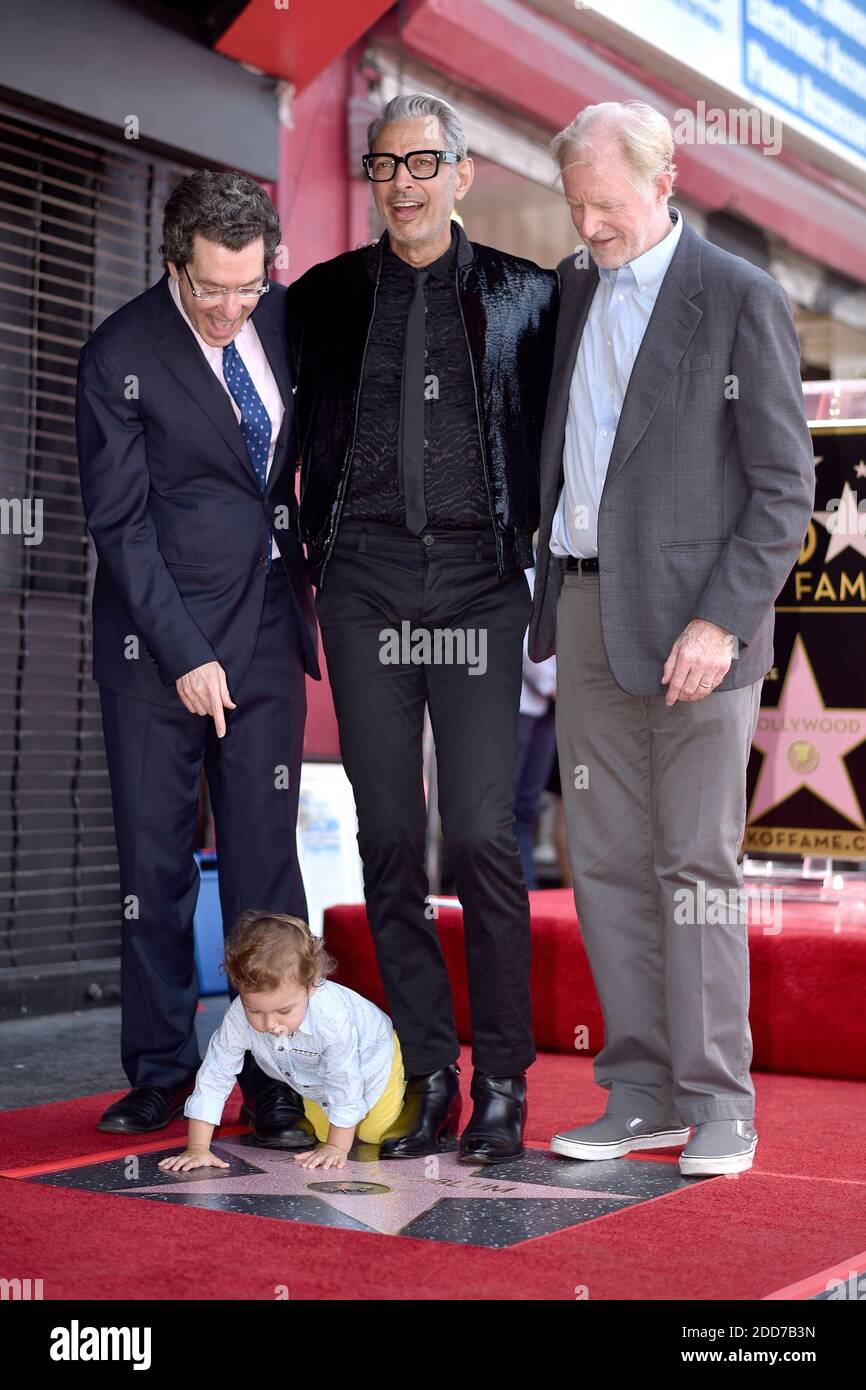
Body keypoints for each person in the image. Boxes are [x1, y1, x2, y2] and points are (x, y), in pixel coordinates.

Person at [528, 101, 814, 1177]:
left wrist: (719, 618)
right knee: (601, 861)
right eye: (575, 205)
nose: (589, 224)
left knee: (693, 863)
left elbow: (783, 487)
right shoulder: (568, 291)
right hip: (586, 609)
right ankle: (638, 1091)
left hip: (699, 625)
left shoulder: (737, 295)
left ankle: (718, 1103)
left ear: (663, 181)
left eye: (604, 203)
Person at [286, 94, 559, 1164]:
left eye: (422, 162)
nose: (401, 181)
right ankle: (429, 1071)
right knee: (389, 838)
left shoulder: (527, 297)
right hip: (363, 581)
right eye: (383, 163)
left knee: (485, 833)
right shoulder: (320, 299)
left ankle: (502, 1081)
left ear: (462, 171)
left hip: (480, 584)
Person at [75, 171, 320, 1145]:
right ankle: (161, 1070)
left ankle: (274, 1075)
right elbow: (120, 524)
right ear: (174, 262)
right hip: (153, 641)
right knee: (156, 863)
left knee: (268, 861)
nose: (231, 308)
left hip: (264, 620)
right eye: (211, 287)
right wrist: (182, 650)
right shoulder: (119, 355)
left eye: (248, 286)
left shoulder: (282, 318)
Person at [158, 911, 406, 1173]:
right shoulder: (238, 1017)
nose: (270, 1025)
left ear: (311, 985)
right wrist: (198, 1147)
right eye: (255, 1011)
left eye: (284, 1011)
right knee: (325, 1134)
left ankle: (417, 1087)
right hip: (314, 1079)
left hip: (373, 1058)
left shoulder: (331, 1018)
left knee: (373, 1133)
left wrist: (337, 1148)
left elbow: (344, 1079)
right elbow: (215, 1075)